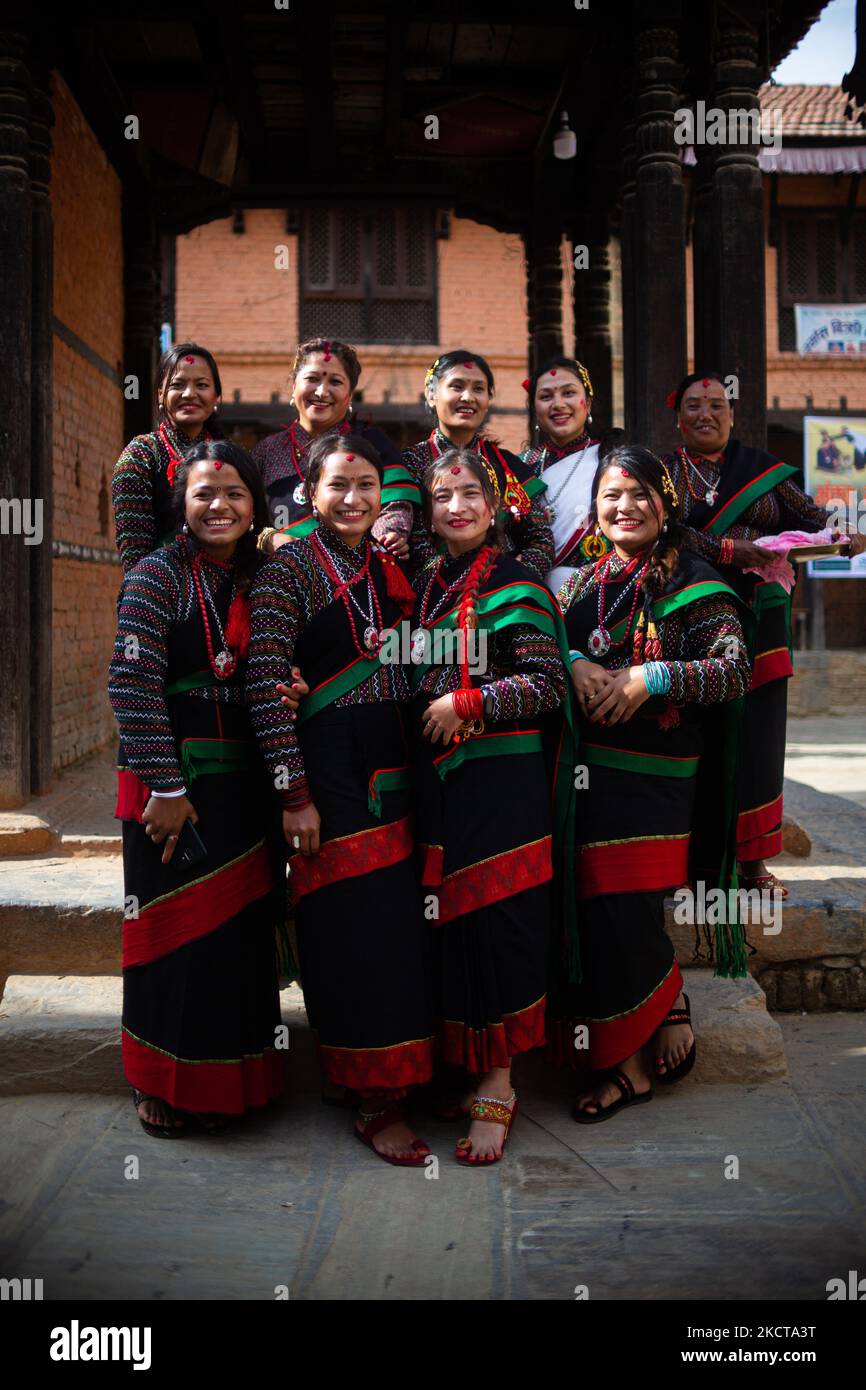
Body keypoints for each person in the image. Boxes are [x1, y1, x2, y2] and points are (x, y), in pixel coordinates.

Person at [246, 433, 435, 1166]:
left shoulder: (392, 567)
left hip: (393, 770)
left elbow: (417, 659)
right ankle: (372, 1097)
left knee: (393, 934)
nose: (353, 499)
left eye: (366, 486)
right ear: (311, 494)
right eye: (337, 486)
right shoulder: (287, 568)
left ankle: (377, 1075)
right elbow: (266, 682)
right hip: (324, 776)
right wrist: (293, 794)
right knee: (348, 933)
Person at [552, 445, 752, 1120]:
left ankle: (630, 1068)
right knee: (590, 912)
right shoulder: (580, 584)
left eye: (640, 495)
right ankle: (665, 1006)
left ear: (664, 506)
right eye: (611, 495)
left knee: (625, 910)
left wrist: (651, 677)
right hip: (583, 780)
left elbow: (732, 670)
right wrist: (574, 658)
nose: (624, 507)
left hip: (656, 780)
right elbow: (543, 642)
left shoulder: (692, 579)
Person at [108, 440, 284, 1138]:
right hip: (170, 790)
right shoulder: (155, 576)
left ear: (255, 505)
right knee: (173, 939)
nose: (220, 506)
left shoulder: (263, 578)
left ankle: (241, 1080)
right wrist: (166, 784)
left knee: (237, 940)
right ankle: (163, 1082)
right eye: (205, 493)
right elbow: (130, 683)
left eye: (236, 493)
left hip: (243, 787)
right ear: (181, 503)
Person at [410, 448, 567, 1164]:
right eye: (442, 496)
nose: (456, 506)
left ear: (497, 504)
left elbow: (546, 685)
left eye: (470, 493)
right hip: (442, 784)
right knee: (453, 928)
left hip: (503, 784)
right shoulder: (428, 582)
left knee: (503, 922)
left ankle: (500, 1082)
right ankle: (464, 1063)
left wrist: (470, 701)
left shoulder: (519, 582)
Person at [662, 370, 866, 896]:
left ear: (731, 413)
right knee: (696, 732)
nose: (705, 413)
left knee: (757, 736)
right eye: (693, 405)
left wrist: (842, 532)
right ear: (677, 415)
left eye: (715, 404)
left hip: (760, 621)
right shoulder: (662, 475)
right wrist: (731, 551)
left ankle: (752, 862)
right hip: (691, 620)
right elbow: (664, 530)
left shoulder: (764, 471)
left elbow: (815, 515)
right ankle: (688, 858)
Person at [252, 336, 419, 559]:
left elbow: (395, 504)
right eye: (312, 379)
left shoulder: (371, 442)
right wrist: (269, 538)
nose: (321, 392)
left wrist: (385, 540)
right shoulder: (267, 451)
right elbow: (243, 515)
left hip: (358, 568)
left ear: (350, 395)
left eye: (335, 382)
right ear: (294, 386)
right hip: (284, 572)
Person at [403, 350, 554, 578]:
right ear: (432, 394)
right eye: (457, 386)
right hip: (437, 592)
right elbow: (413, 541)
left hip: (502, 588)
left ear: (488, 400)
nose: (468, 397)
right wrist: (456, 580)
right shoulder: (410, 463)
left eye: (478, 389)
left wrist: (511, 575)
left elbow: (540, 538)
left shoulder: (505, 464)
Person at [112, 343, 223, 575]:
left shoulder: (231, 457)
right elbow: (136, 559)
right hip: (161, 593)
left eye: (201, 385)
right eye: (177, 385)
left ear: (216, 397)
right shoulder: (141, 456)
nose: (189, 394)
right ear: (160, 395)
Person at [520, 355, 613, 590]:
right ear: (535, 409)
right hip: (534, 595)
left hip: (601, 590)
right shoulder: (521, 466)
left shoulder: (611, 458)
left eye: (568, 393)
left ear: (588, 402)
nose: (558, 404)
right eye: (546, 396)